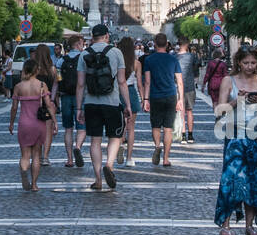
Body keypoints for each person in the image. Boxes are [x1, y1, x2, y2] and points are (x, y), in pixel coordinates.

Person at [214, 44, 257, 235]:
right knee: (232, 180)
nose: (250, 66)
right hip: (235, 137)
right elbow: (219, 112)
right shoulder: (228, 80)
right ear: (238, 63)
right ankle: (226, 224)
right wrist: (236, 101)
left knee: (254, 181)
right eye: (246, 62)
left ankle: (249, 225)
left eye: (253, 62)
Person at [75, 24, 131, 191]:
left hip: (91, 103)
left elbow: (80, 84)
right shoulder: (116, 52)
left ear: (92, 37)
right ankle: (109, 165)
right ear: (107, 36)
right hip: (112, 102)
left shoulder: (84, 54)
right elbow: (121, 82)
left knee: (95, 140)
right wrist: (127, 104)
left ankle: (98, 179)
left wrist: (79, 108)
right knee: (114, 137)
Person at [9, 57, 56, 191]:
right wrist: (54, 121)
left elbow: (13, 108)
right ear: (37, 70)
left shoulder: (18, 86)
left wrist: (11, 123)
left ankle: (24, 170)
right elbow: (48, 105)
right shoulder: (42, 85)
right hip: (38, 124)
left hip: (24, 123)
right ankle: (34, 184)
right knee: (36, 154)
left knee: (25, 155)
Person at [142, 33, 184, 167]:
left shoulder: (149, 60)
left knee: (155, 126)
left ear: (154, 43)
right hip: (171, 95)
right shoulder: (173, 60)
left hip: (155, 96)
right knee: (168, 128)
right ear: (167, 44)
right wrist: (180, 99)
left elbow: (147, 82)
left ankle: (157, 146)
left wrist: (145, 99)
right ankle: (166, 158)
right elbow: (180, 81)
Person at [58, 33, 86, 168]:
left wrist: (53, 97)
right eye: (82, 44)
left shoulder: (61, 60)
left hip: (65, 96)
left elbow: (57, 80)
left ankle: (69, 159)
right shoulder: (84, 58)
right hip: (81, 96)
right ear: (77, 45)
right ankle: (78, 147)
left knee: (68, 129)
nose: (83, 46)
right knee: (82, 127)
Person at [116, 36, 143, 166]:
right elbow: (139, 83)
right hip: (131, 92)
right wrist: (144, 98)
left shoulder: (116, 61)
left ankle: (120, 144)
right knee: (131, 128)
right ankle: (129, 158)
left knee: (120, 125)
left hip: (118, 92)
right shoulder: (136, 63)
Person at [31, 43, 59, 164]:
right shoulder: (53, 69)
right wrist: (53, 99)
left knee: (36, 129)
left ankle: (37, 155)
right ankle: (45, 157)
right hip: (49, 101)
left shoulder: (32, 69)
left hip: (34, 101)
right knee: (48, 130)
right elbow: (57, 84)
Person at [175, 39, 197, 143]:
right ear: (187, 45)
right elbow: (196, 69)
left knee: (181, 112)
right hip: (189, 86)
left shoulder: (174, 57)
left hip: (178, 87)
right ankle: (191, 135)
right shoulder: (192, 56)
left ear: (178, 45)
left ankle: (183, 135)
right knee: (189, 111)